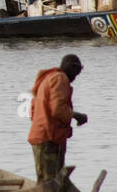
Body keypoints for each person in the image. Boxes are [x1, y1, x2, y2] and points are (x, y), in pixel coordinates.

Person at [27, 54, 89, 184]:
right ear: (71, 67)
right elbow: (57, 108)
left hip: (42, 136)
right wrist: (77, 116)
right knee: (50, 183)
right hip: (48, 138)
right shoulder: (60, 78)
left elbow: (33, 110)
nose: (75, 78)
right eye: (76, 73)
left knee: (48, 181)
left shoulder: (48, 78)